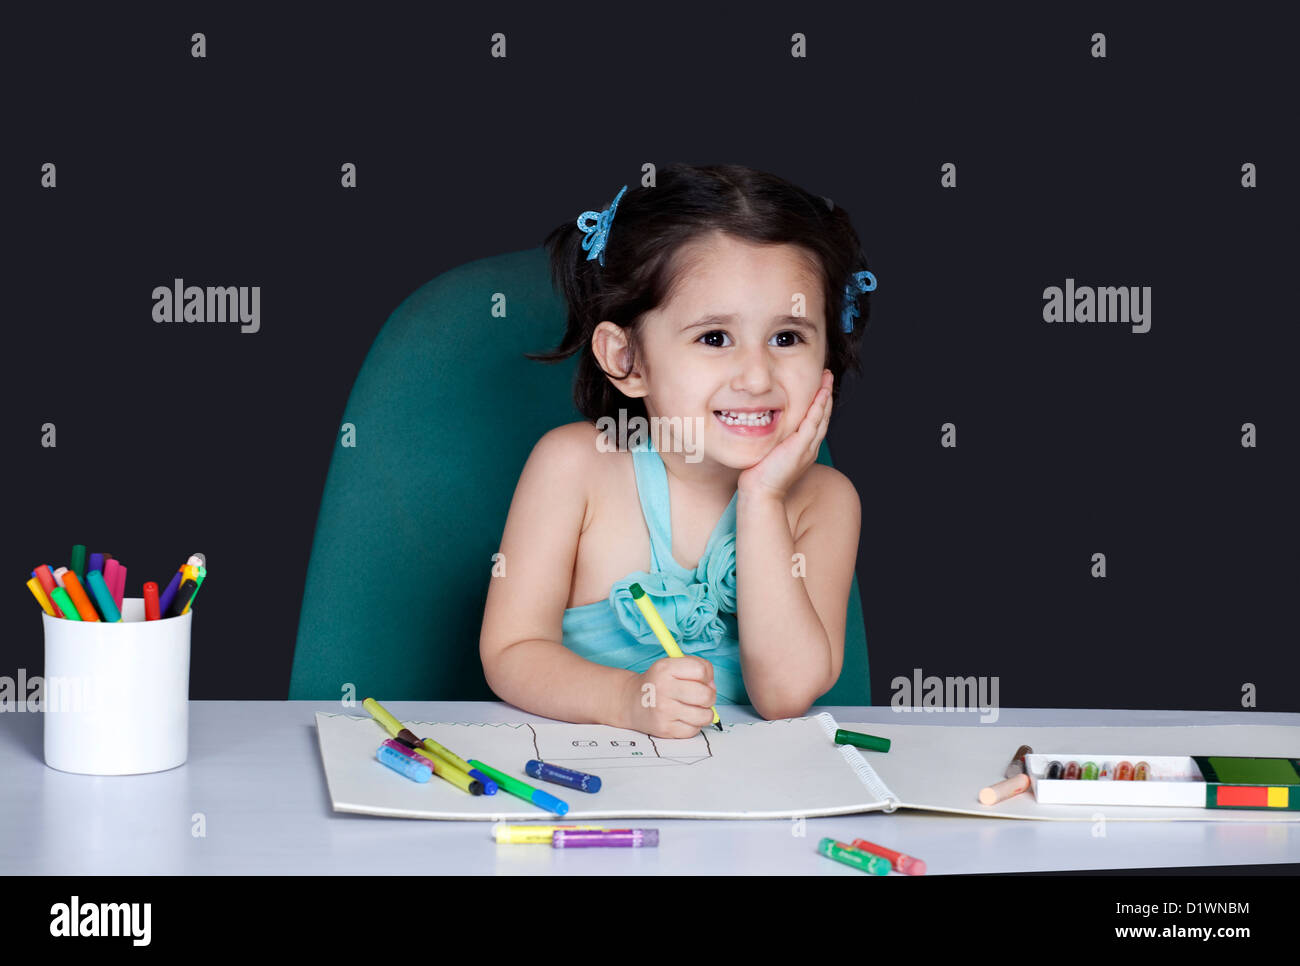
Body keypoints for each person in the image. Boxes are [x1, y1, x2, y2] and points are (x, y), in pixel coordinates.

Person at [480, 162, 874, 738]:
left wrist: (762, 498)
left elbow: (785, 695)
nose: (757, 375)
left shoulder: (824, 501)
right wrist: (624, 699)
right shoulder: (575, 468)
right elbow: (511, 651)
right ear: (627, 359)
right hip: (599, 781)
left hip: (748, 801)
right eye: (715, 338)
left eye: (786, 337)